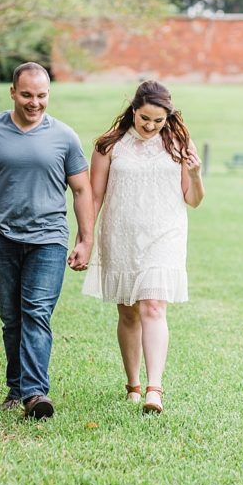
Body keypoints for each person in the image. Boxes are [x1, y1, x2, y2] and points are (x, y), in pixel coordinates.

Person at [0, 62, 93, 419]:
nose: (35, 102)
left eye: (43, 95)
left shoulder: (64, 137)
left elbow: (82, 190)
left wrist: (86, 239)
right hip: (1, 237)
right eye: (28, 95)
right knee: (12, 318)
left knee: (36, 311)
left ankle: (35, 393)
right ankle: (16, 389)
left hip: (49, 239)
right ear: (13, 93)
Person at [82, 80, 204, 414]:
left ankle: (155, 389)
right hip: (120, 233)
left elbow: (192, 200)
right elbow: (94, 196)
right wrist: (85, 239)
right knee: (128, 311)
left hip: (165, 234)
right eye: (144, 118)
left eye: (158, 121)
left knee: (153, 305)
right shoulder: (109, 146)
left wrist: (194, 174)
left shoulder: (179, 144)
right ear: (133, 110)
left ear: (169, 117)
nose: (150, 126)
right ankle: (133, 384)